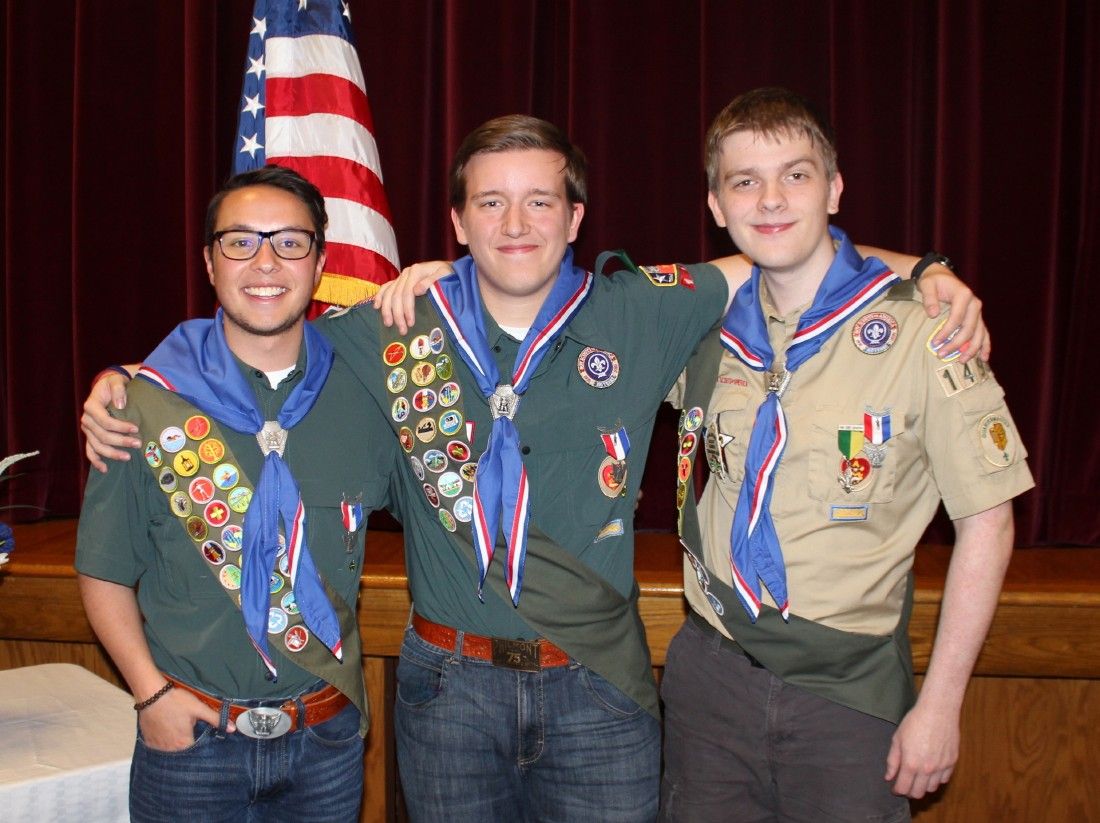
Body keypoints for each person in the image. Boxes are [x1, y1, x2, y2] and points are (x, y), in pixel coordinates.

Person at [81, 115, 983, 822]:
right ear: (457, 221)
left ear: (577, 217)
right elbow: (252, 333)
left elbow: (794, 249)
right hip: (448, 691)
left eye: (539, 201)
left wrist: (932, 271)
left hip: (597, 685)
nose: (516, 223)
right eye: (491, 203)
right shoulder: (392, 329)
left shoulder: (639, 309)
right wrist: (120, 384)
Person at [658, 88, 1034, 822]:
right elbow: (554, 301)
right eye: (745, 181)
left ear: (834, 188)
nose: (770, 199)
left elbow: (990, 522)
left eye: (796, 175)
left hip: (847, 697)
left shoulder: (927, 332)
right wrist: (440, 276)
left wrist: (941, 704)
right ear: (715, 204)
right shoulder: (699, 328)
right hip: (711, 679)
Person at [75, 166, 397, 821]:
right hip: (190, 742)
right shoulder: (145, 404)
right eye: (241, 241)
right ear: (209, 262)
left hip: (325, 739)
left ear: (320, 261)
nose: (266, 262)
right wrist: (150, 696)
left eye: (290, 241)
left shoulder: (368, 394)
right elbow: (102, 571)